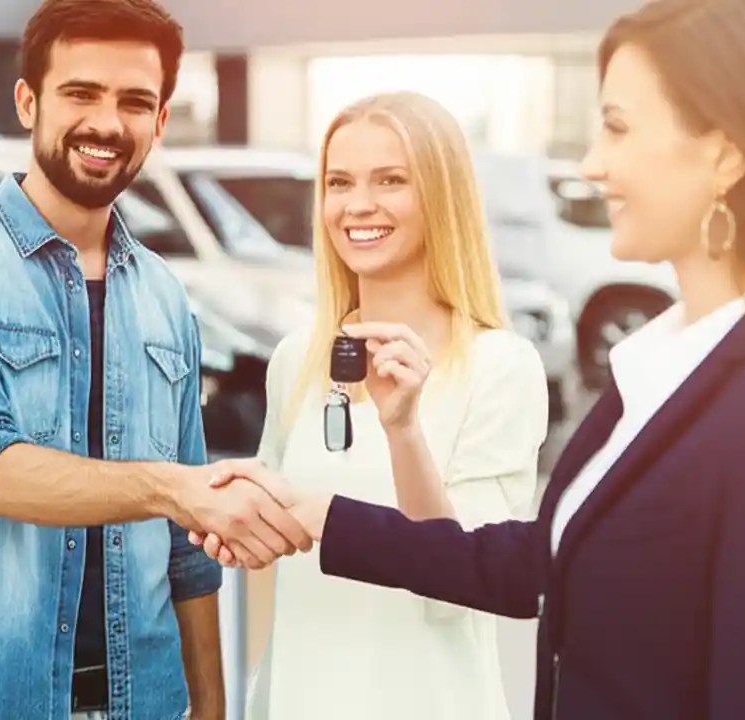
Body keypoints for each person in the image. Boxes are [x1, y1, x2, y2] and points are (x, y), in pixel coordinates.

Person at [201, 0, 745, 718]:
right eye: (340, 181)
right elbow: (522, 566)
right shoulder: (652, 377)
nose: (592, 164)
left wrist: (396, 442)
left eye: (618, 126)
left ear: (725, 156)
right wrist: (301, 512)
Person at [0, 1, 310, 718]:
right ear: (28, 102)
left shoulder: (166, 295)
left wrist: (210, 708)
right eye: (81, 93)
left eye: (134, 102)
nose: (107, 123)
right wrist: (174, 488)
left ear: (160, 122)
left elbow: (187, 550)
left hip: (149, 703)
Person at [201, 92, 548, 718]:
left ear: (441, 197)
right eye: (340, 182)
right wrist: (233, 520)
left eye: (390, 180)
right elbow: (279, 547)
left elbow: (460, 586)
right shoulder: (295, 360)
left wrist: (403, 431)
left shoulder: (501, 365)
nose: (357, 204)